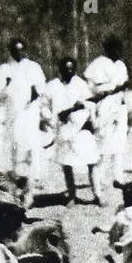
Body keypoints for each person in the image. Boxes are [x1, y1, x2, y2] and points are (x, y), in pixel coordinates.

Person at [43, 58, 100, 205]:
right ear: (60, 69)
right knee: (66, 163)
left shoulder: (80, 84)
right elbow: (44, 106)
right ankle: (72, 195)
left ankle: (98, 195)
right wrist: (50, 119)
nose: (69, 72)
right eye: (65, 69)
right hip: (63, 129)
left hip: (81, 127)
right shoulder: (53, 86)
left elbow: (91, 102)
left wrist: (75, 108)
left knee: (91, 161)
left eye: (71, 69)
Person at [0, 38, 47, 192]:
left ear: (25, 51)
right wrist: (8, 83)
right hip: (12, 112)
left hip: (30, 112)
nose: (18, 53)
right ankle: (15, 176)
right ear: (10, 51)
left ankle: (35, 177)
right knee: (14, 143)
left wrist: (35, 94)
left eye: (21, 50)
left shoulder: (33, 67)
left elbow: (40, 87)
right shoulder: (4, 68)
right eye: (15, 50)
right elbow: (0, 92)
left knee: (33, 144)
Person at [83, 35, 131, 194]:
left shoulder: (121, 65)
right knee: (103, 145)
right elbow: (91, 89)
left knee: (119, 145)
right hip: (104, 106)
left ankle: (118, 178)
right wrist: (106, 90)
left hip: (119, 107)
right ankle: (99, 183)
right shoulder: (98, 64)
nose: (118, 52)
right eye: (114, 49)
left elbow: (124, 87)